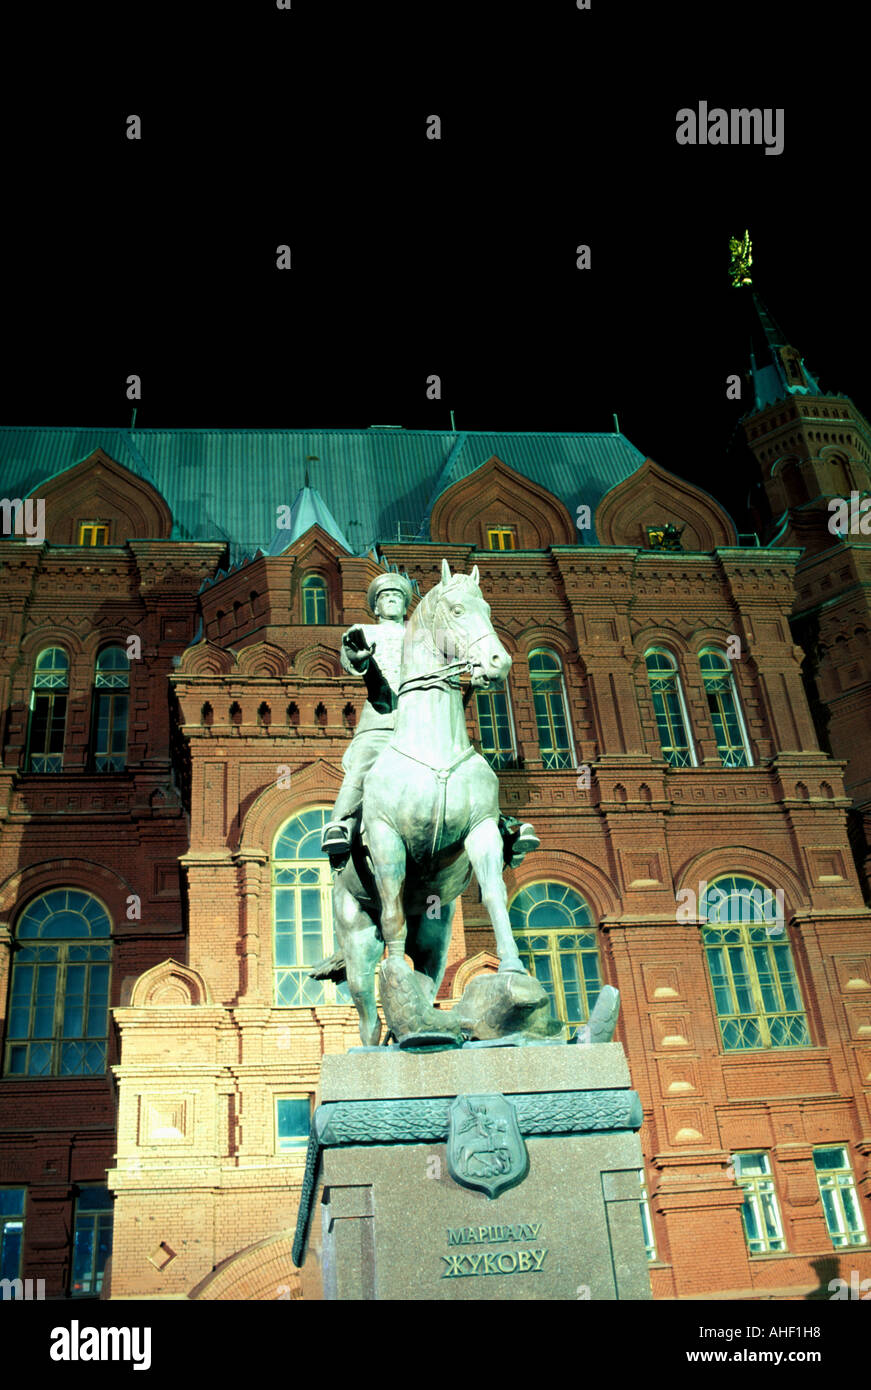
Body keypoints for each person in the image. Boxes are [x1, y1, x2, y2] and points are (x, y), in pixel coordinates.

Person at [320, 571, 539, 865]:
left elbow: (448, 671)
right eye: (385, 598)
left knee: (469, 767)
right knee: (364, 763)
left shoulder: (425, 636)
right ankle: (341, 825)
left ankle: (501, 824)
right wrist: (359, 656)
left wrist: (472, 677)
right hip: (383, 722)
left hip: (425, 725)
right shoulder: (364, 632)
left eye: (397, 597)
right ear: (376, 607)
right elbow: (352, 660)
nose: (392, 602)